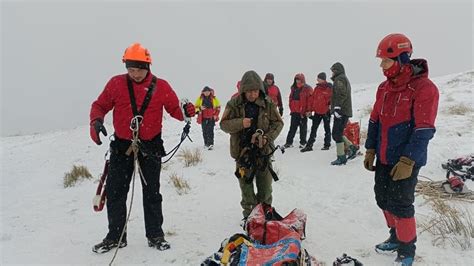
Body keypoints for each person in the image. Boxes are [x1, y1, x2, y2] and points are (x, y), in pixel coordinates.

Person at [89, 43, 195, 253]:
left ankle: (155, 234)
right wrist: (96, 121)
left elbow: (175, 109)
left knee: (152, 192)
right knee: (115, 192)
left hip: (151, 146)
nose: (134, 74)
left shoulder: (161, 87)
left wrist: (186, 111)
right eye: (130, 69)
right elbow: (99, 105)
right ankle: (116, 236)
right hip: (121, 146)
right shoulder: (116, 84)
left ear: (147, 66)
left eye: (138, 69)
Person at [364, 33, 439, 266]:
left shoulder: (424, 89)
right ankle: (395, 236)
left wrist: (408, 160)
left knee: (401, 205)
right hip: (385, 156)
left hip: (405, 161)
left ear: (402, 59)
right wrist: (370, 149)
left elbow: (423, 129)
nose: (381, 66)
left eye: (385, 61)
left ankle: (407, 250)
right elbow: (375, 120)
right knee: (382, 199)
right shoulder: (383, 88)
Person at [220, 70, 283, 220]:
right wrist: (240, 123)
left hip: (263, 152)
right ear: (243, 91)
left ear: (259, 90)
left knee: (265, 188)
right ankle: (249, 217)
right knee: (246, 189)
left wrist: (267, 137)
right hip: (243, 153)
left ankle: (265, 214)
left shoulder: (268, 103)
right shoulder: (234, 104)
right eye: (249, 91)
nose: (252, 95)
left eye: (255, 91)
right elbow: (223, 124)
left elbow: (278, 123)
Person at [329, 62, 358, 165]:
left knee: (336, 134)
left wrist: (337, 108)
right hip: (343, 111)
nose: (331, 73)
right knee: (338, 133)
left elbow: (341, 94)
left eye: (333, 71)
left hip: (341, 111)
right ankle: (352, 148)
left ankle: (341, 157)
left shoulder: (339, 79)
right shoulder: (342, 78)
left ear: (336, 71)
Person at [301, 72, 332, 152]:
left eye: (319, 78)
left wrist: (330, 106)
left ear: (323, 79)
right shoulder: (317, 88)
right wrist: (310, 110)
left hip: (326, 112)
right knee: (313, 129)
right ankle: (309, 146)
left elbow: (332, 99)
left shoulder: (329, 88)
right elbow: (312, 100)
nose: (317, 79)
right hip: (317, 112)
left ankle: (327, 144)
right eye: (318, 78)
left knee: (327, 129)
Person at [283, 73, 312, 148]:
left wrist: (309, 110)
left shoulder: (307, 88)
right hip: (294, 111)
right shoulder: (293, 88)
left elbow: (310, 100)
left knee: (303, 128)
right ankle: (289, 142)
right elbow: (290, 98)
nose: (297, 81)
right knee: (292, 127)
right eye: (296, 79)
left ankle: (303, 143)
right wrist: (291, 107)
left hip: (303, 112)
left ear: (302, 80)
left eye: (299, 79)